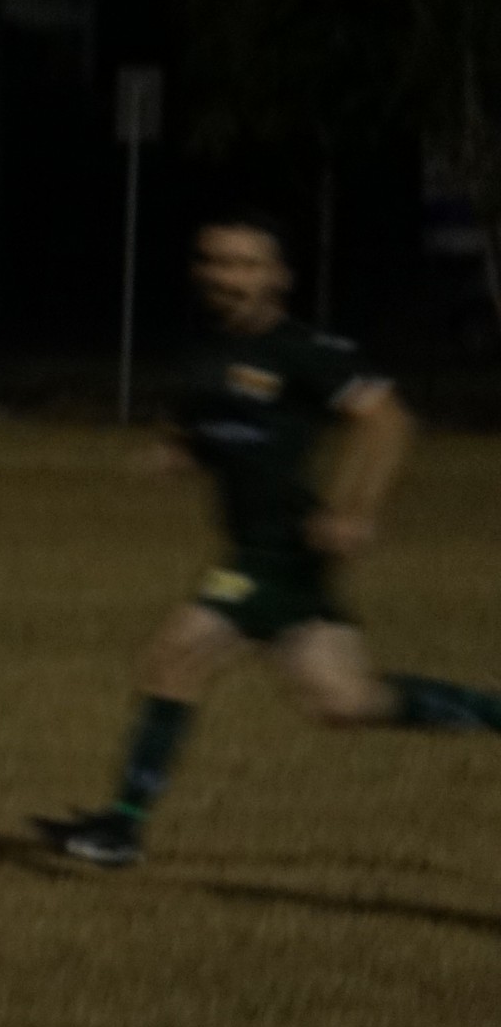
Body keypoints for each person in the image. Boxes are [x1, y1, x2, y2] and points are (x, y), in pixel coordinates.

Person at [36, 214, 501, 869]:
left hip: (282, 547)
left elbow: (389, 422)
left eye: (247, 265)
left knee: (178, 652)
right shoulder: (206, 354)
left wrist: (354, 509)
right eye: (218, 263)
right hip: (260, 545)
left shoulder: (305, 350)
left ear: (278, 277)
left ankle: (123, 826)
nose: (230, 277)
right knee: (344, 699)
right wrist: (177, 454)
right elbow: (207, 430)